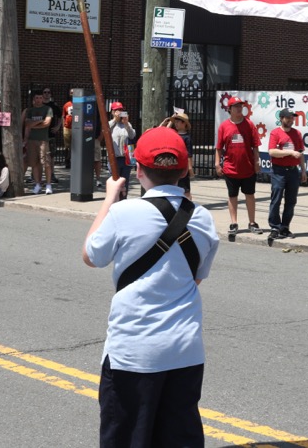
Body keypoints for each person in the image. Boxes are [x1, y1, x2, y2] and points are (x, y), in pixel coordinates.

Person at [83, 126, 220, 448]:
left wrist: (109, 198)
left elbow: (91, 255)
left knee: (128, 437)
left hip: (134, 352)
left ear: (138, 169)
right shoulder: (202, 218)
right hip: (185, 350)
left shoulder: (122, 212)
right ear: (185, 170)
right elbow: (195, 277)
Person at [215, 97, 261, 235]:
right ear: (229, 109)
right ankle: (234, 223)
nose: (239, 108)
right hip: (230, 168)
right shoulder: (224, 126)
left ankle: (252, 222)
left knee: (250, 195)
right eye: (235, 106)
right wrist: (217, 164)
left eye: (240, 105)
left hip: (248, 168)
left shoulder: (249, 125)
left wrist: (257, 162)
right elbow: (219, 148)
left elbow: (255, 147)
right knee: (232, 196)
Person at [267, 108, 307, 239]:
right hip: (279, 171)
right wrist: (289, 152)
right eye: (288, 117)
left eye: (292, 117)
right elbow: (272, 152)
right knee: (276, 199)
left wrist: (303, 170)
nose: (290, 120)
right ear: (281, 118)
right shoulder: (276, 133)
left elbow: (300, 153)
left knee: (291, 201)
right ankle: (274, 226)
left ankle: (285, 227)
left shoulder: (297, 134)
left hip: (293, 171)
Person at [25, 90, 54, 194]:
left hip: (43, 140)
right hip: (32, 140)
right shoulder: (30, 111)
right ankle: (37, 184)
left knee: (46, 162)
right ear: (34, 99)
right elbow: (28, 124)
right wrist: (39, 121)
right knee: (34, 163)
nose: (39, 100)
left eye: (40, 98)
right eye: (37, 98)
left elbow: (47, 123)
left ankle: (48, 184)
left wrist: (35, 124)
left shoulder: (48, 109)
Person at [160, 111, 194, 199]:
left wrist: (190, 168)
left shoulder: (187, 138)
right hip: (174, 165)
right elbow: (165, 132)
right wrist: (170, 121)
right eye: (175, 121)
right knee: (174, 187)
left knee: (185, 189)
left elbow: (189, 154)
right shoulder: (174, 134)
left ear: (184, 124)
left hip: (183, 166)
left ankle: (188, 206)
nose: (176, 123)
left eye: (178, 121)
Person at [108, 101, 138, 197]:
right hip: (115, 158)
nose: (119, 112)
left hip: (126, 159)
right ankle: (113, 200)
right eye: (116, 110)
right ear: (112, 112)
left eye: (120, 110)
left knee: (125, 182)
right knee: (114, 182)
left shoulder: (126, 124)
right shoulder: (110, 124)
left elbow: (132, 135)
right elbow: (105, 131)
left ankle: (123, 200)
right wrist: (115, 120)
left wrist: (126, 124)